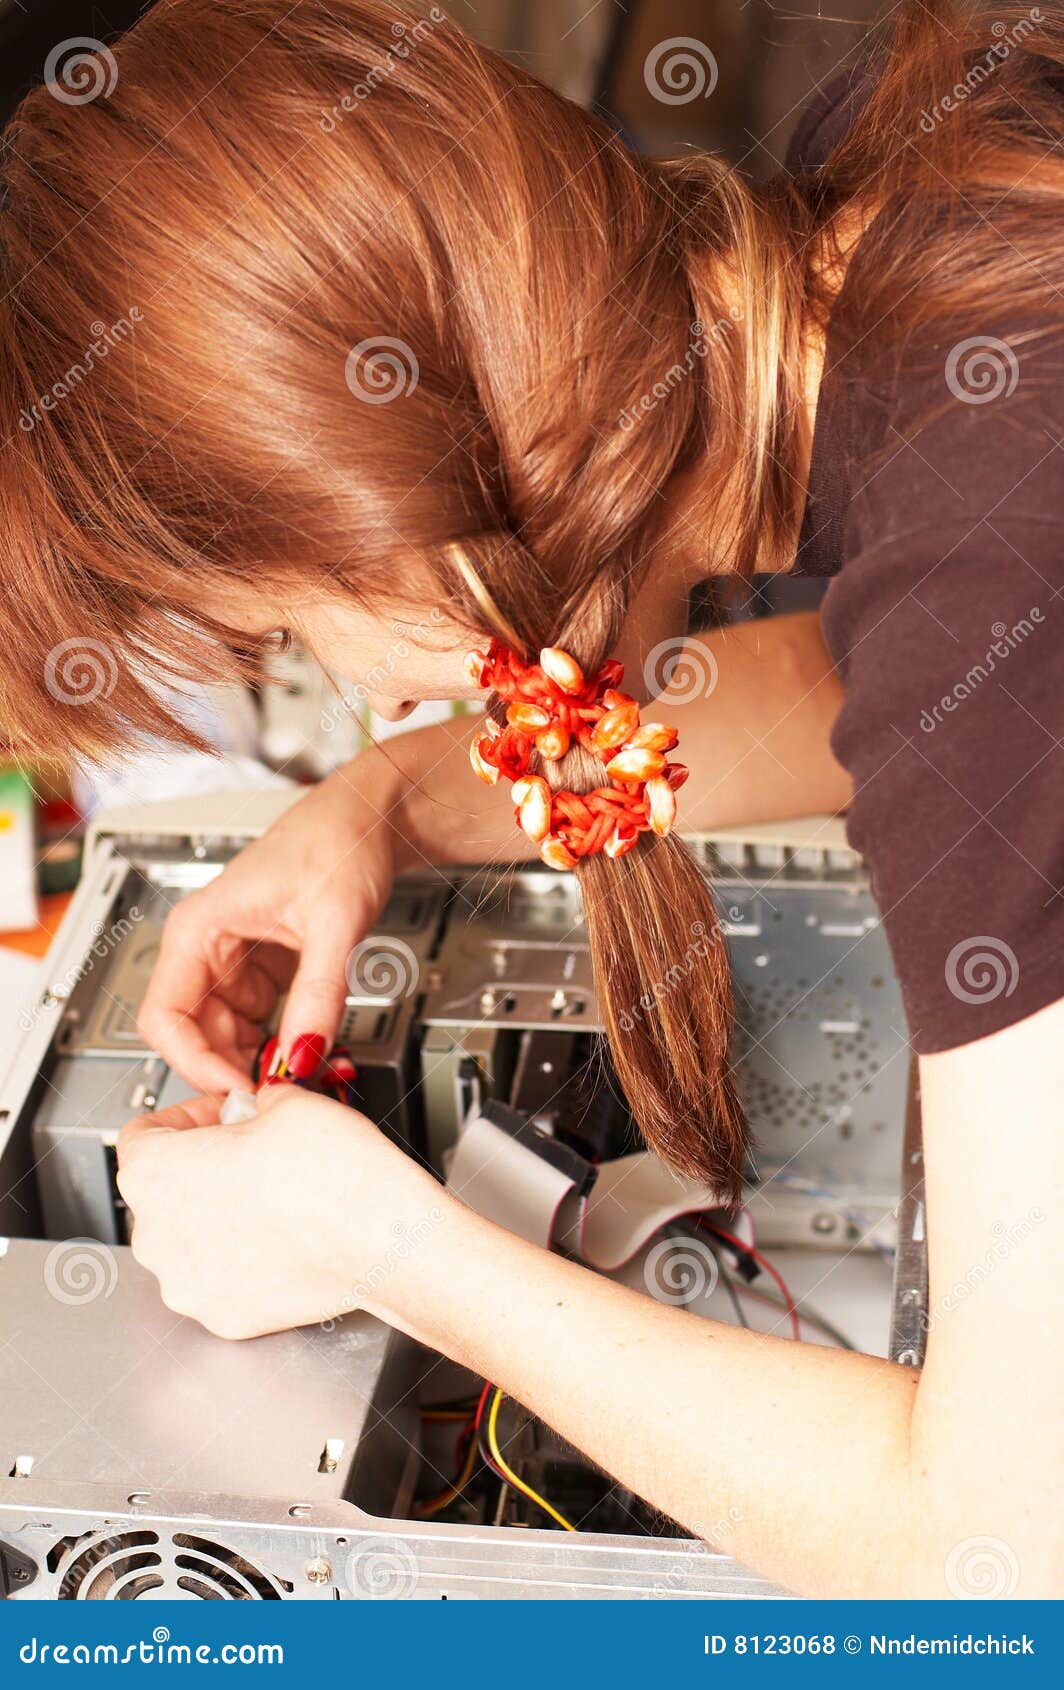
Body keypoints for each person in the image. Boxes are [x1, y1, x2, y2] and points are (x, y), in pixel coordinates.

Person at [1, 0, 1060, 1597]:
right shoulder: (887, 200)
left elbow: (1003, 1546)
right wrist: (397, 801)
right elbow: (902, 696)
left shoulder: (1000, 536)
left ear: (387, 512)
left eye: (290, 631)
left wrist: (393, 1253)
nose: (362, 692)